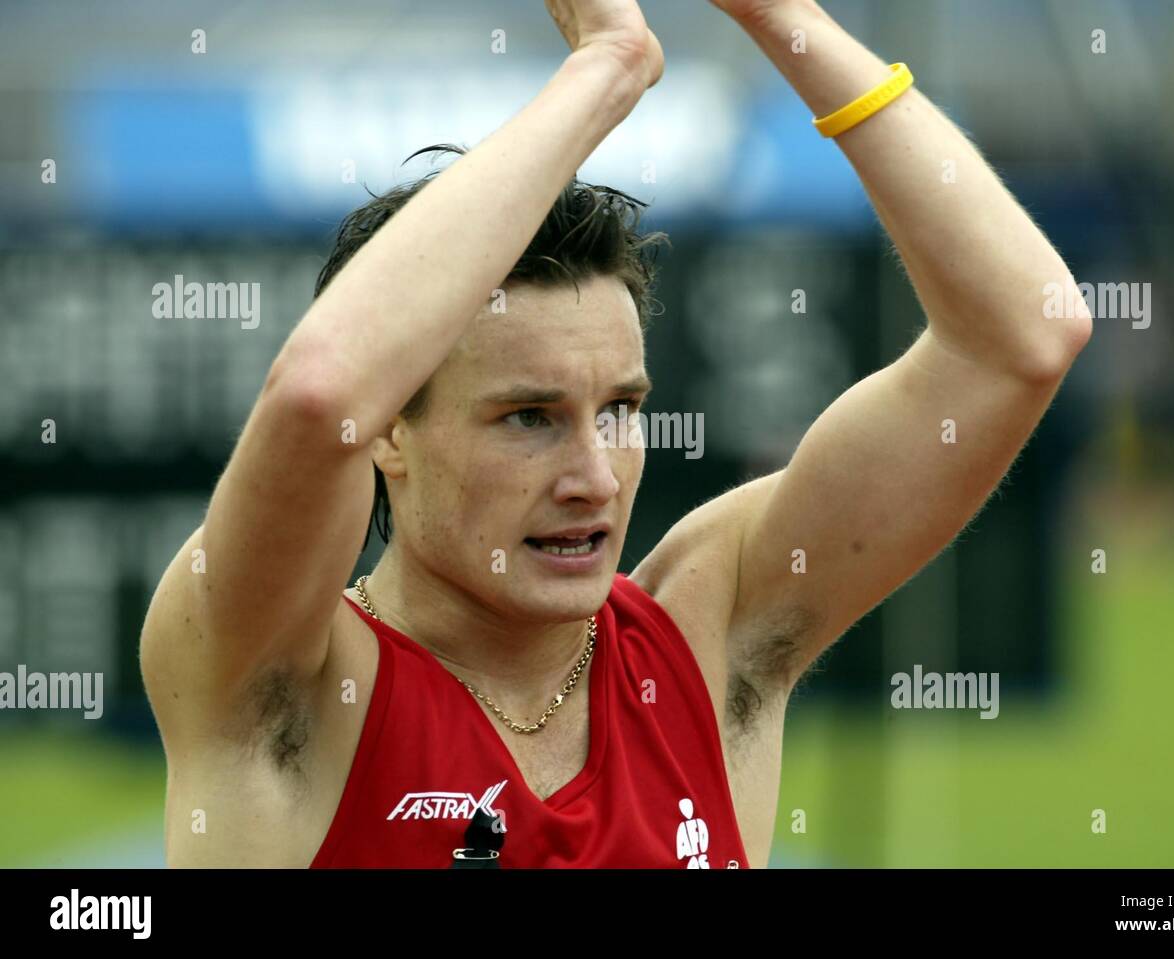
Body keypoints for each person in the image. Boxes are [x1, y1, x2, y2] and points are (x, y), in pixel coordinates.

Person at [140, 0, 1091, 868]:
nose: (593, 475)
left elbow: (1027, 335)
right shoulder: (279, 680)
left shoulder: (708, 637)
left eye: (619, 411)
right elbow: (317, 393)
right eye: (529, 418)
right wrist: (609, 69)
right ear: (389, 430)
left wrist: (782, 17)